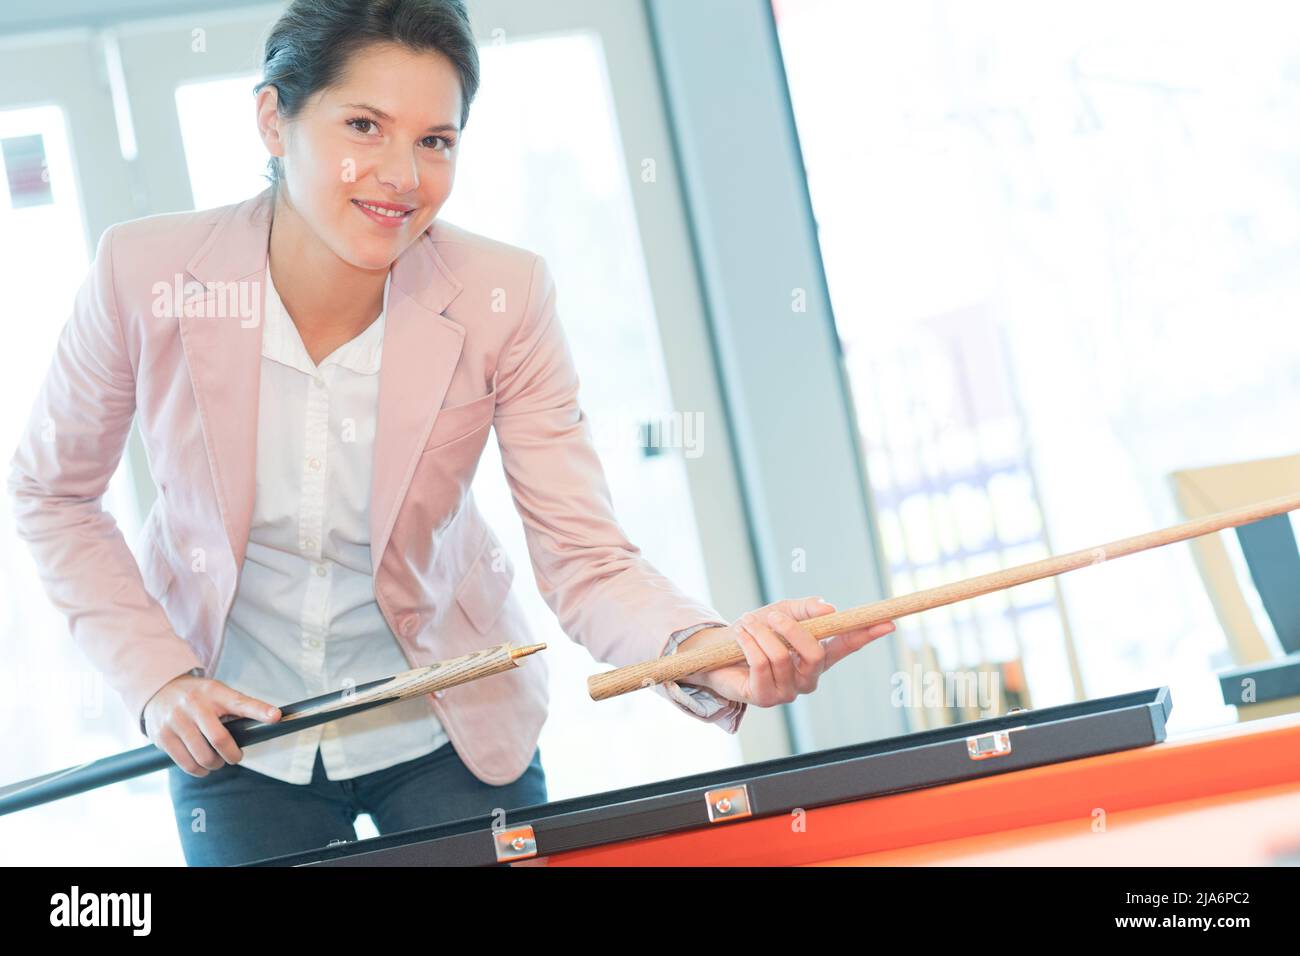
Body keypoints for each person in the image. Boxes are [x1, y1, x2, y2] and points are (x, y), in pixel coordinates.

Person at [6, 0, 895, 866]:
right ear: (275, 120)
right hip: (236, 740)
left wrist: (703, 655)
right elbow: (53, 494)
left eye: (436, 141)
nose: (403, 175)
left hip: (452, 731)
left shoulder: (504, 296)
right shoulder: (144, 272)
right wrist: (157, 676)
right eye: (364, 126)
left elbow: (585, 556)